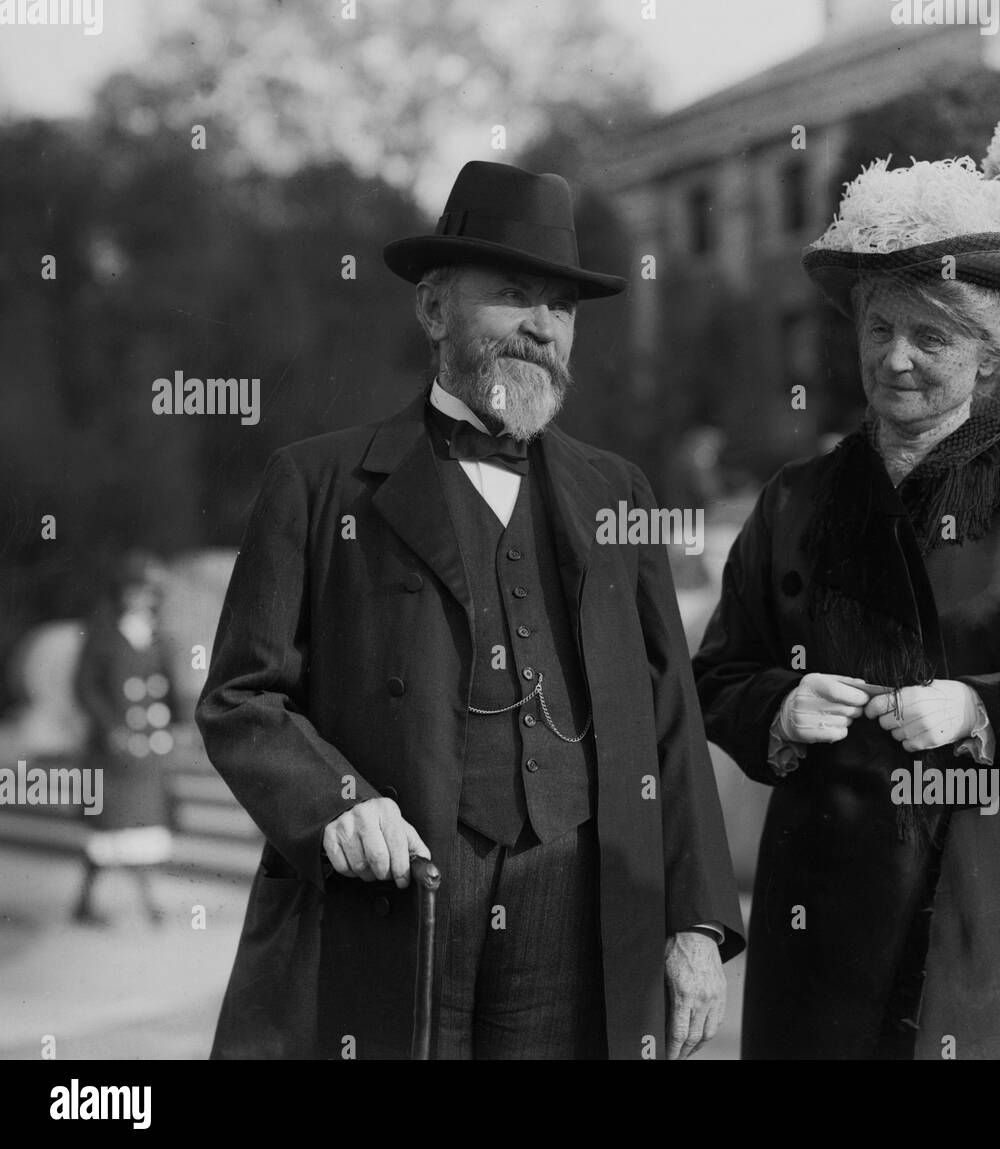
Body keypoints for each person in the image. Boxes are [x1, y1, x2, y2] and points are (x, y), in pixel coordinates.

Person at [196, 160, 744, 1060]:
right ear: (433, 308)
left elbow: (671, 719)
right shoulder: (317, 481)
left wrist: (695, 921)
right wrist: (335, 799)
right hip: (397, 900)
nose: (541, 327)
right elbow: (240, 697)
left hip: (575, 903)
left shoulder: (619, 489)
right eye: (514, 295)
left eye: (561, 308)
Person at [692, 92, 1000, 1059]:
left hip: (993, 901)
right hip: (825, 900)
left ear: (992, 358)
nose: (894, 360)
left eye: (931, 338)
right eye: (877, 330)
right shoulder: (795, 499)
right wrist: (779, 707)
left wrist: (982, 711)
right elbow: (717, 675)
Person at [72, 550, 177, 926]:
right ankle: (110, 902)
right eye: (135, 590)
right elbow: (85, 687)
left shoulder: (159, 637)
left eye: (149, 592)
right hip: (110, 750)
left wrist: (182, 727)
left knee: (143, 827)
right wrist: (110, 727)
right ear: (121, 592)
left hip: (147, 747)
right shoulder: (101, 634)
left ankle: (140, 901)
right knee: (111, 831)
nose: (142, 598)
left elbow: (171, 690)